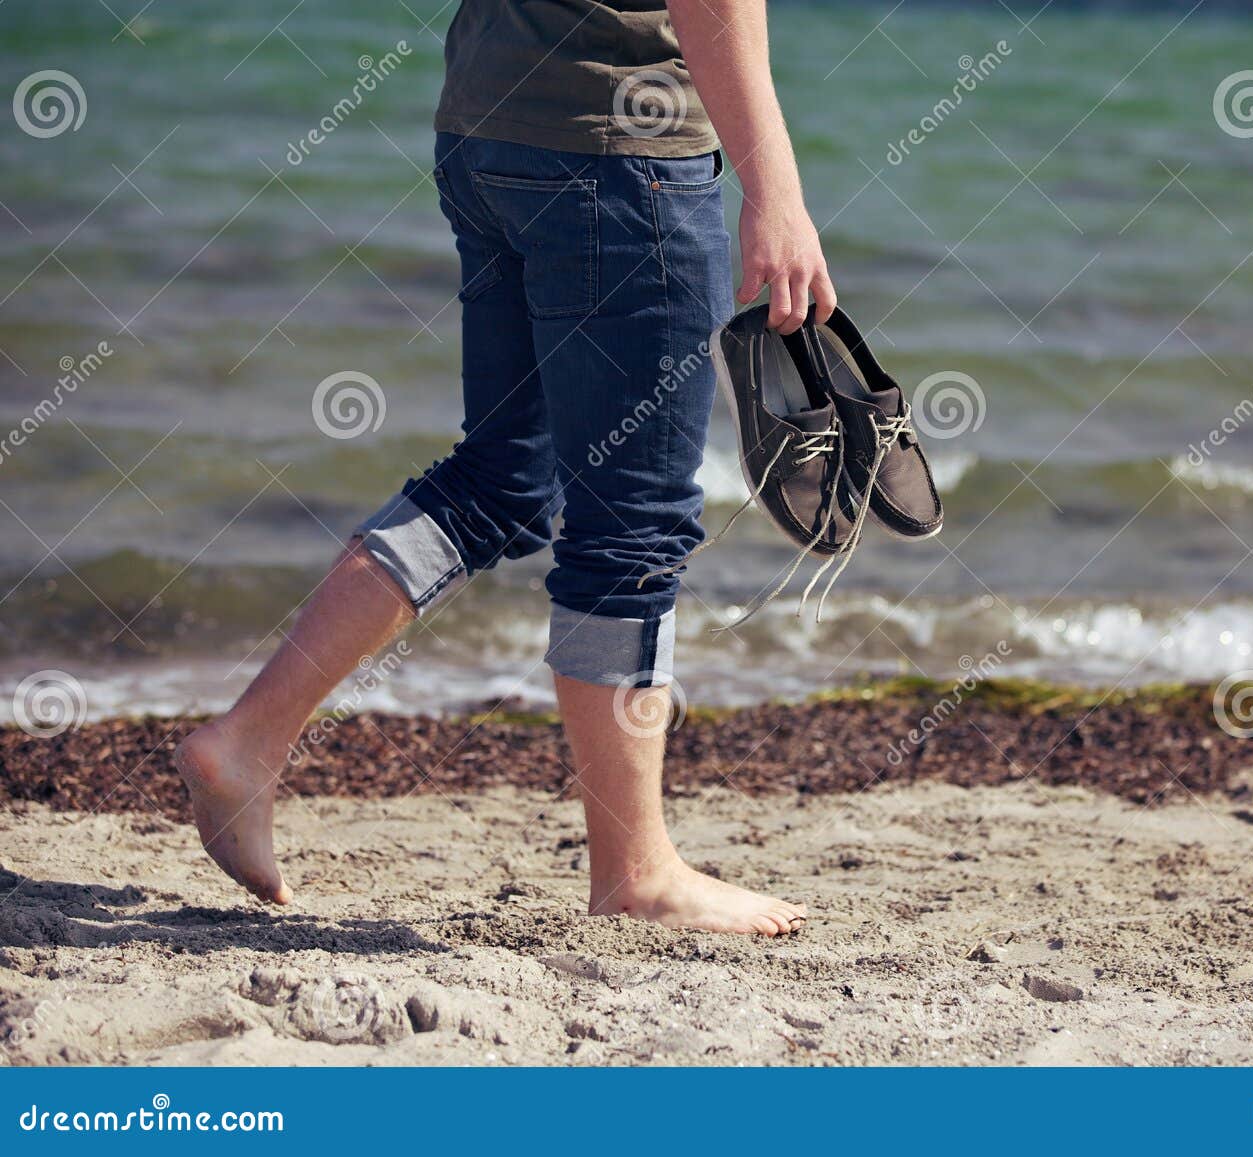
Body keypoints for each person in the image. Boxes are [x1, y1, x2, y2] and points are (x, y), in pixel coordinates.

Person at [177, 0, 835, 936]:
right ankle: (636, 871)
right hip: (619, 147)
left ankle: (248, 741)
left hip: (489, 125)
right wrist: (777, 187)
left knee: (501, 480)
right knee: (633, 518)